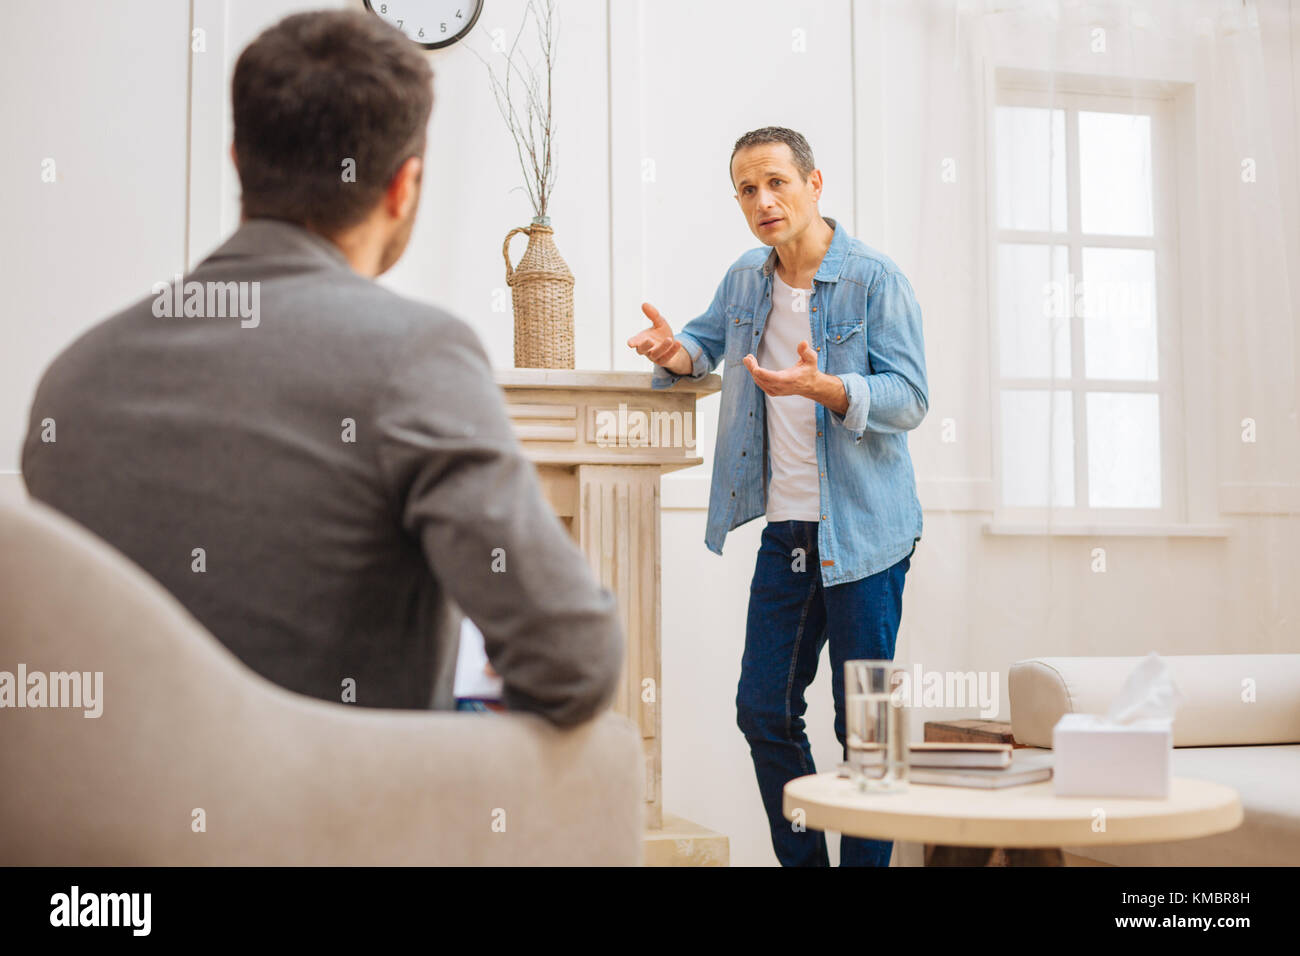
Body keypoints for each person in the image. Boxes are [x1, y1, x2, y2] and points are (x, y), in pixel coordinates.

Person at [21, 10, 621, 727]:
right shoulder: (418, 355)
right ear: (405, 187)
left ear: (239, 158)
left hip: (91, 831)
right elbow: (576, 662)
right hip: (336, 827)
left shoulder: (72, 380)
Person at [628, 127, 928, 865]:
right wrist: (676, 354)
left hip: (866, 535)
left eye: (776, 183)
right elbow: (702, 345)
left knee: (868, 729)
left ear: (814, 183)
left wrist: (828, 387)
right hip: (789, 535)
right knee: (763, 710)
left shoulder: (874, 279)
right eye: (747, 189)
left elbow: (912, 396)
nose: (762, 201)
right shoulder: (745, 279)